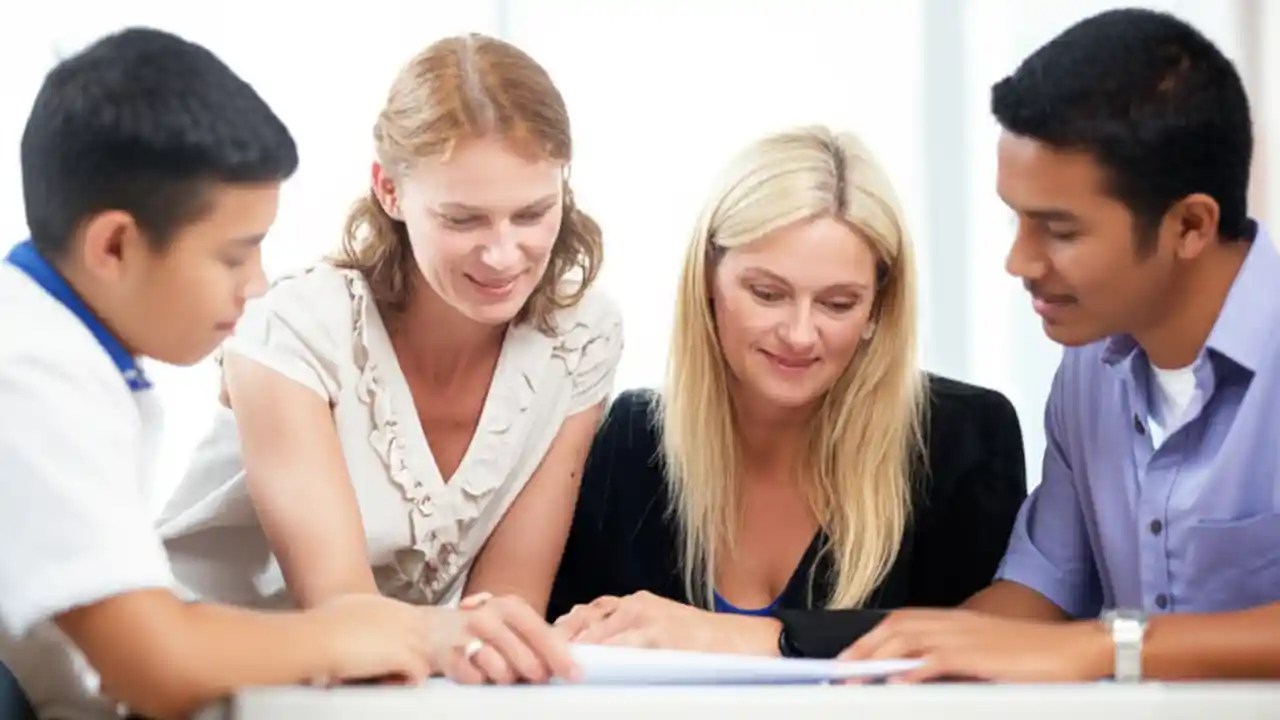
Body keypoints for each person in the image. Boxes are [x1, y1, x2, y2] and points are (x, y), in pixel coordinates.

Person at [0, 27, 458, 720]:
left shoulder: (61, 350)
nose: (258, 283)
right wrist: (355, 632)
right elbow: (155, 666)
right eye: (233, 256)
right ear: (115, 244)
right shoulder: (33, 375)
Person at [157, 32, 620, 685]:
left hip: (390, 689)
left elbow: (507, 616)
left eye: (532, 213)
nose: (504, 254)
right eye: (464, 220)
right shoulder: (292, 329)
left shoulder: (581, 336)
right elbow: (344, 620)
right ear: (391, 191)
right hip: (199, 683)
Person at [841, 8, 1280, 682]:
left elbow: (1073, 644)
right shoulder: (1091, 366)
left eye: (1059, 230)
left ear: (1190, 225)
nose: (1018, 260)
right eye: (1016, 218)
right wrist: (852, 655)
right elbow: (1040, 594)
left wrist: (1108, 647)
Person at [548, 125, 1027, 658]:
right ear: (708, 280)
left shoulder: (963, 438)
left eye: (838, 303)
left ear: (877, 309)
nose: (800, 334)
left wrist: (739, 637)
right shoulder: (632, 436)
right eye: (768, 294)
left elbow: (988, 643)